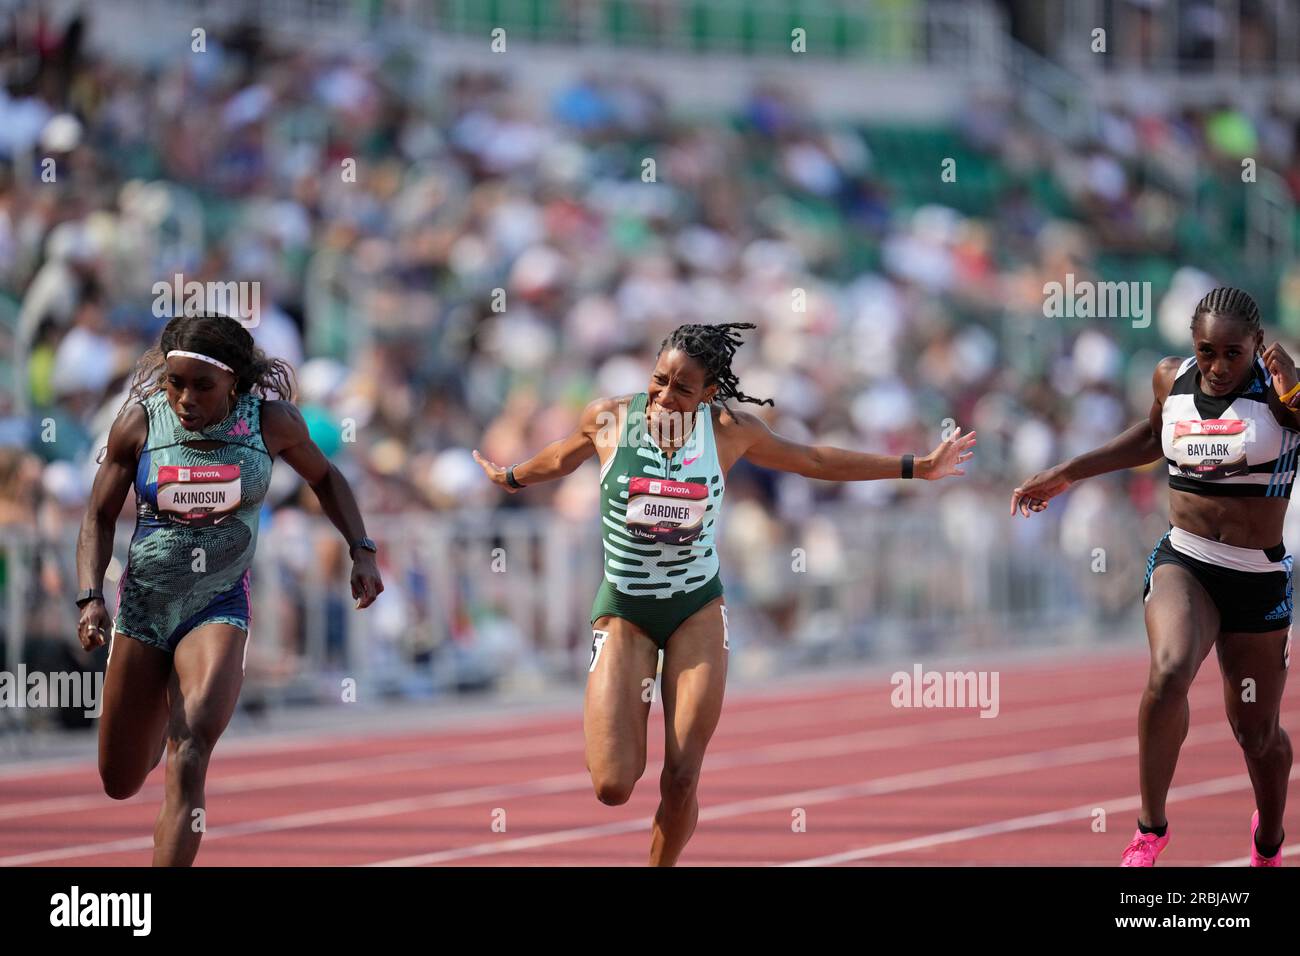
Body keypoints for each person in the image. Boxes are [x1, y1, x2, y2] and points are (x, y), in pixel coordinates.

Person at [474, 321, 975, 865]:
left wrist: (916, 467)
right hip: (625, 611)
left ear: (710, 392)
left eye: (683, 388)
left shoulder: (730, 430)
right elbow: (562, 456)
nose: (665, 395)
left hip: (696, 609)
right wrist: (513, 477)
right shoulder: (609, 418)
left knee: (683, 774)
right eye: (659, 380)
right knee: (612, 784)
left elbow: (816, 461)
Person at [75, 314, 383, 866]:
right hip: (144, 606)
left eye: (201, 386)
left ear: (234, 384)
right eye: (175, 384)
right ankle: (152, 718)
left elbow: (327, 477)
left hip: (218, 605)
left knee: (190, 751)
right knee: (119, 780)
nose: (185, 399)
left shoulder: (272, 424)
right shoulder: (140, 424)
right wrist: (91, 596)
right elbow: (97, 516)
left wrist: (362, 549)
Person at [1012, 287, 1293, 866]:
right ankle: (1149, 830)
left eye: (1232, 353)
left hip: (1257, 577)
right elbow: (1149, 435)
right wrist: (1067, 473)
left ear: (1258, 346)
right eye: (1206, 350)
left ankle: (1269, 837)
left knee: (1256, 735)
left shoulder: (1283, 395)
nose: (1217, 367)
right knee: (1168, 674)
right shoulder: (1172, 378)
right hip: (1185, 560)